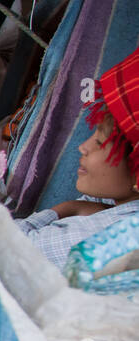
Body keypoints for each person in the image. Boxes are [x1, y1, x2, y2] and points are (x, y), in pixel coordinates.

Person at [16, 45, 139, 269]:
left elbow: (6, 248)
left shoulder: (109, 237)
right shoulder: (119, 203)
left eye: (100, 142)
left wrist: (65, 208)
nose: (83, 147)